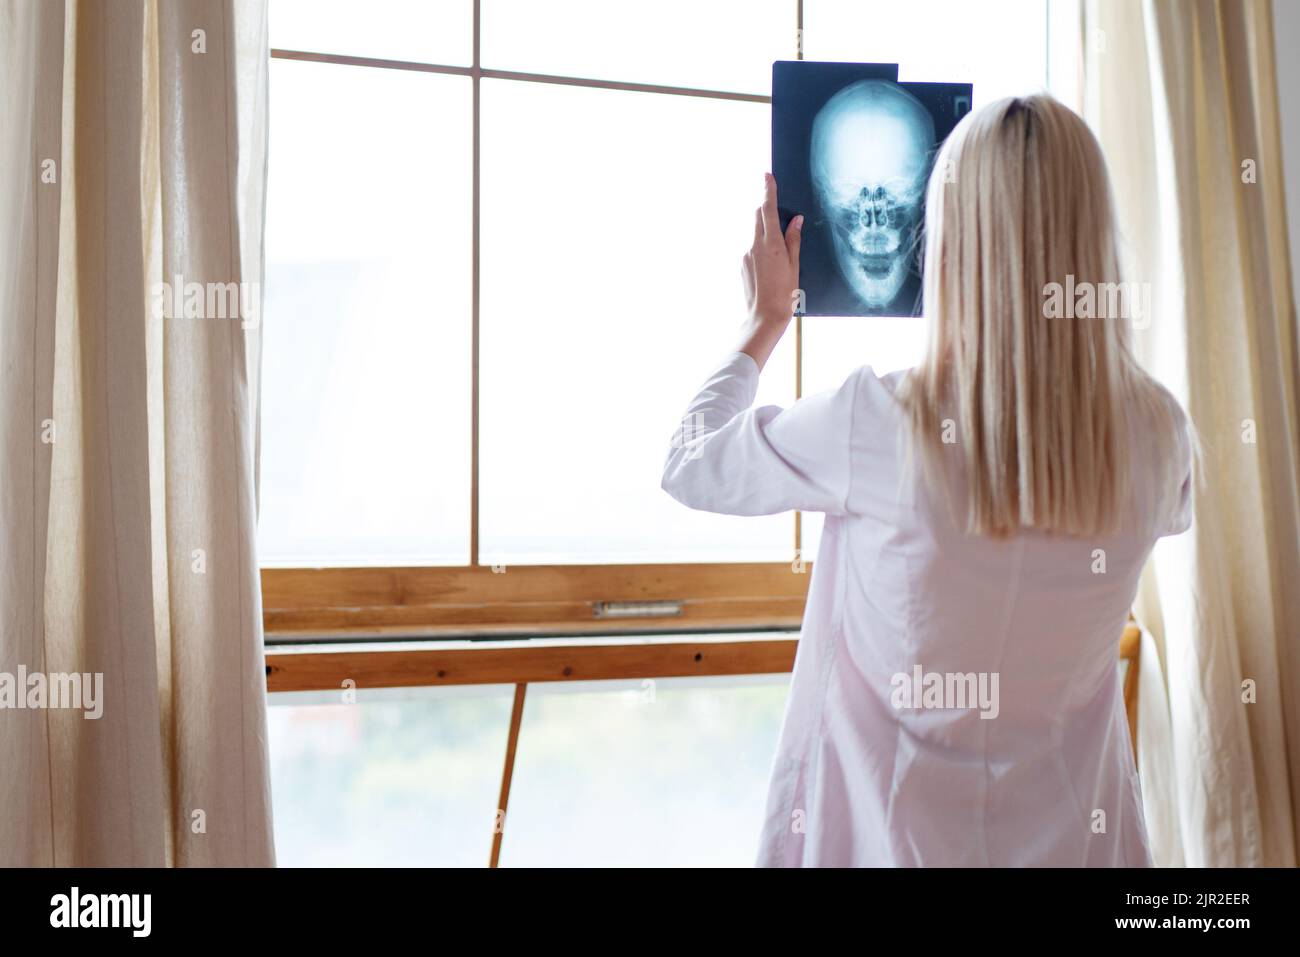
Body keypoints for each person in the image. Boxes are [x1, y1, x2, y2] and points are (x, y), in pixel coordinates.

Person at [661, 94, 1194, 867]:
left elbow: (690, 462)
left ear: (949, 237)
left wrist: (764, 320)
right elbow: (1160, 507)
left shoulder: (877, 422)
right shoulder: (1159, 434)